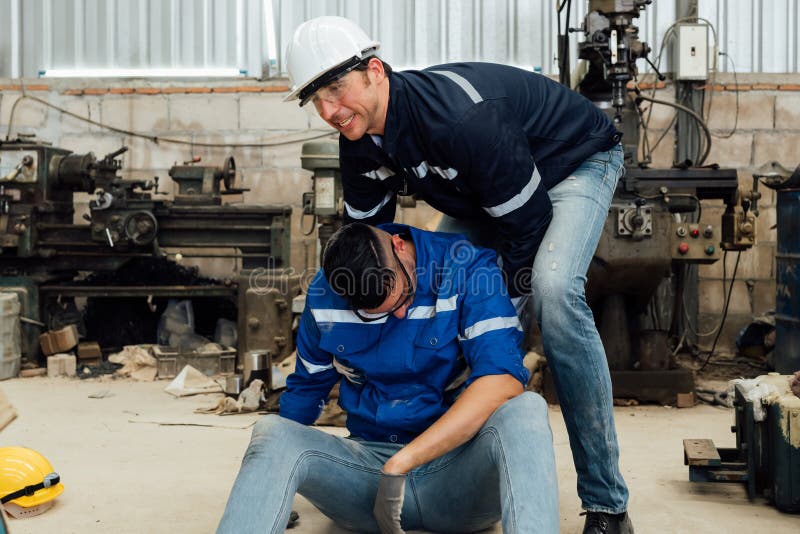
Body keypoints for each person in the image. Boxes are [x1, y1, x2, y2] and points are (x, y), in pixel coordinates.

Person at [282, 16, 632, 534]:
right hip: (488, 189)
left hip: (571, 162)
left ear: (374, 71)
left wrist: (497, 325)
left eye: (337, 87)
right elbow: (369, 253)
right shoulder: (357, 140)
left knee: (553, 294)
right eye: (316, 98)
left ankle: (606, 502)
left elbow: (527, 227)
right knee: (434, 294)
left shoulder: (460, 120)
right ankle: (434, 455)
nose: (330, 110)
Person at [217, 222, 558, 533]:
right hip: (367, 481)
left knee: (525, 409)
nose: (400, 313)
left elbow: (502, 380)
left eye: (405, 295)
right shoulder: (325, 295)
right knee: (272, 432)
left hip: (456, 476)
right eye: (376, 314)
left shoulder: (466, 268)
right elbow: (306, 390)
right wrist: (274, 480)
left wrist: (403, 462)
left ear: (399, 245)